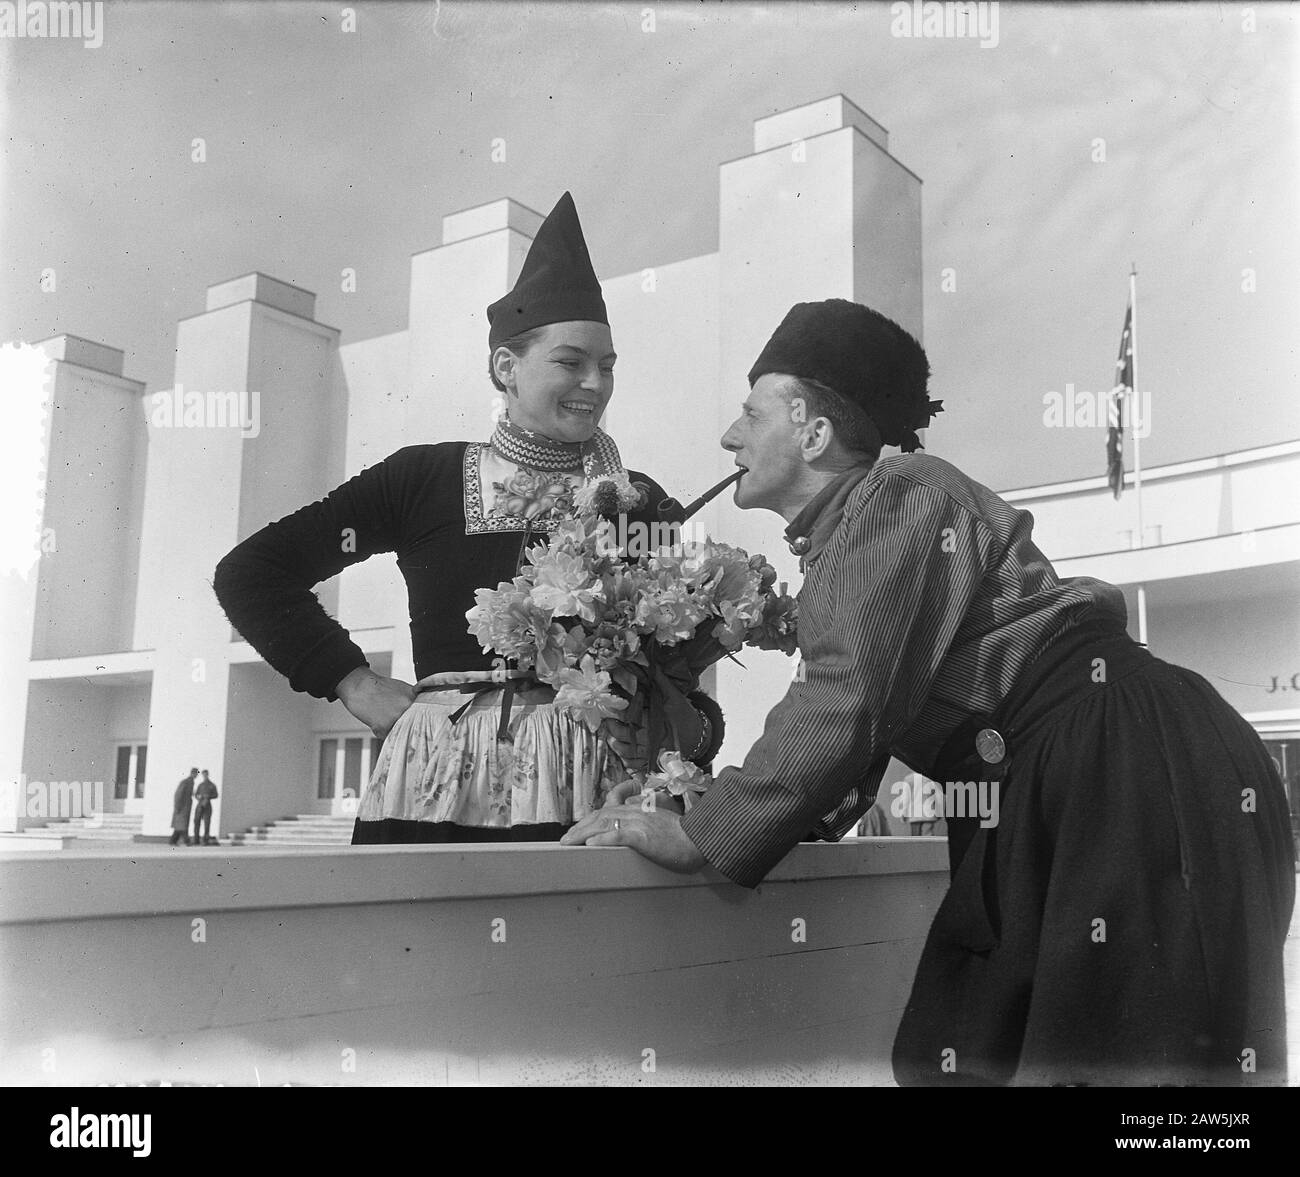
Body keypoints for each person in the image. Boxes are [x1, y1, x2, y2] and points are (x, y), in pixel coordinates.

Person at [564, 298, 1296, 1087]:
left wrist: (703, 834)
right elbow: (858, 724)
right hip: (1081, 770)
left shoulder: (898, 493)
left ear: (813, 432)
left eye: (750, 412)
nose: (728, 437)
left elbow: (847, 699)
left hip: (1123, 762)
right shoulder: (856, 532)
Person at [215, 193, 713, 845]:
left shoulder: (640, 502)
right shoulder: (423, 478)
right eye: (570, 361)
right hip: (435, 777)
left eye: (608, 365)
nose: (595, 382)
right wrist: (352, 680)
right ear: (506, 366)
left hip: (597, 792)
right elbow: (251, 571)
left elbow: (688, 689)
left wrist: (665, 745)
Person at [169, 768, 197, 847]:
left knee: (180, 825)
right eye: (195, 774)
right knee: (182, 825)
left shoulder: (191, 783)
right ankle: (186, 841)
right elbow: (178, 795)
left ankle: (173, 840)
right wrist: (177, 806)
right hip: (182, 807)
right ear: (192, 773)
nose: (196, 776)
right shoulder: (186, 782)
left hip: (185, 807)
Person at [192, 770, 219, 845]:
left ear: (208, 775)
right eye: (203, 775)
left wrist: (208, 796)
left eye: (206, 775)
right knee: (197, 821)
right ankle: (196, 840)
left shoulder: (212, 785)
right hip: (200, 805)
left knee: (207, 823)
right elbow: (196, 794)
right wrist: (199, 797)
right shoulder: (200, 785)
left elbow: (216, 795)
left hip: (207, 805)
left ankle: (205, 840)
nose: (205, 776)